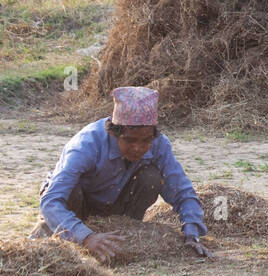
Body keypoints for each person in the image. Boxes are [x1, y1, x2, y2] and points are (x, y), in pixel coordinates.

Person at [30, 86, 212, 263]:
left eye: (145, 141)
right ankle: (55, 229)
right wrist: (86, 237)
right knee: (71, 192)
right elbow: (51, 200)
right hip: (79, 205)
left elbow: (182, 190)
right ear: (114, 132)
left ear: (153, 135)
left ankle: (123, 233)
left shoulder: (159, 144)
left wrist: (191, 233)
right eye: (130, 140)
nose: (138, 148)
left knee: (151, 178)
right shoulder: (86, 145)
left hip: (114, 206)